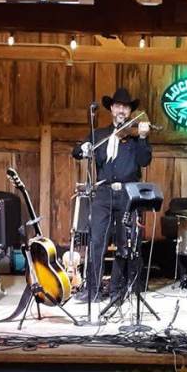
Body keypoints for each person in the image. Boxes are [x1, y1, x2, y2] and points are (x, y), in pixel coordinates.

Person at [72, 88, 152, 302]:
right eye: (117, 106)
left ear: (129, 112)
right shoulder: (99, 135)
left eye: (125, 107)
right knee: (97, 241)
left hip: (127, 194)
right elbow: (76, 152)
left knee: (124, 244)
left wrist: (143, 138)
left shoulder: (134, 139)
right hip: (103, 193)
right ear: (111, 109)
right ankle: (94, 290)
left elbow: (145, 161)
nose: (121, 110)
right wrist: (85, 147)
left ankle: (117, 290)